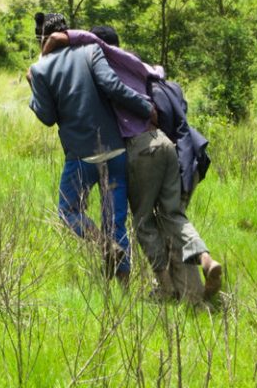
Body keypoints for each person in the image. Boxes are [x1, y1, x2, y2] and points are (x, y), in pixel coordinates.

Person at [43, 26, 222, 304]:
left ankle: (166, 289)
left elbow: (100, 81)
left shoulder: (108, 71)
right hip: (178, 151)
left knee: (144, 222)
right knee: (173, 217)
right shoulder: (150, 74)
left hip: (141, 150)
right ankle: (203, 264)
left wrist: (59, 39)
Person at [28, 13, 155, 284]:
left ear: (42, 40)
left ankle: (104, 246)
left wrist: (33, 90)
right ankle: (121, 287)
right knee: (115, 222)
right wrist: (147, 108)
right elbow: (113, 86)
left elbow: (47, 116)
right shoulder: (90, 50)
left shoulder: (40, 70)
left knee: (68, 210)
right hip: (114, 150)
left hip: (80, 157)